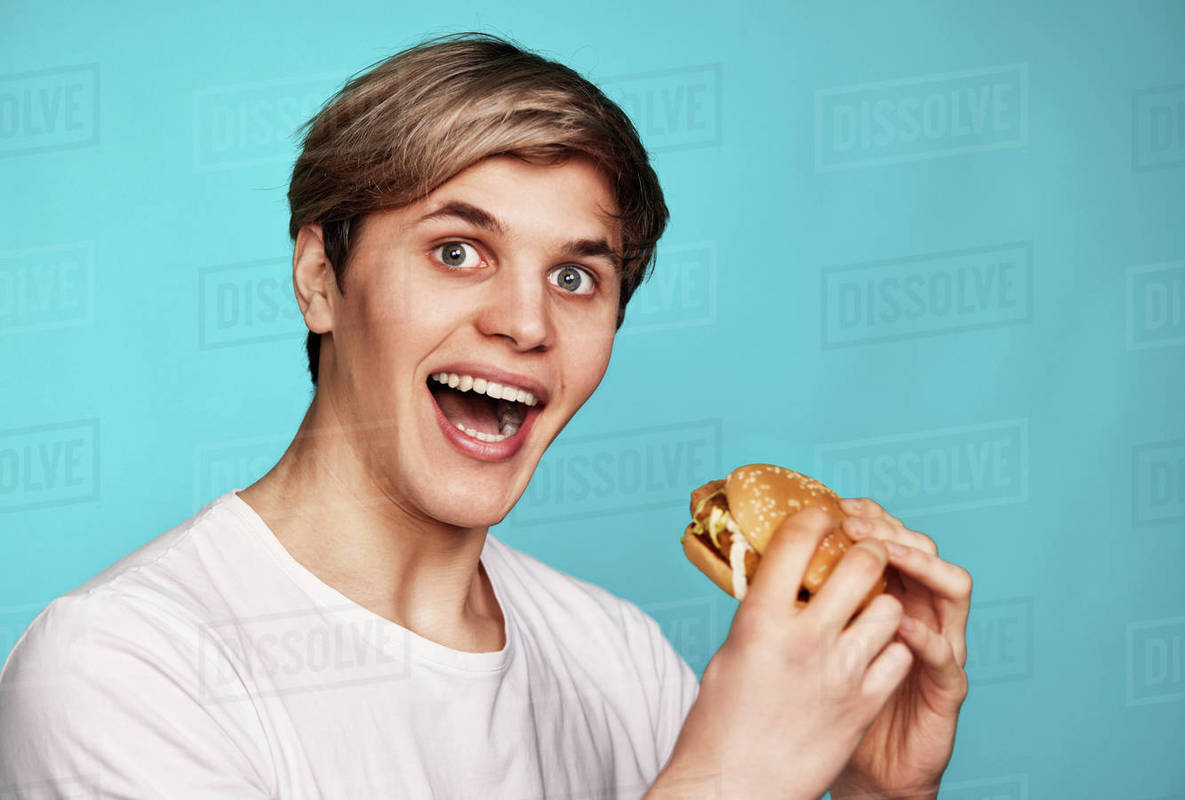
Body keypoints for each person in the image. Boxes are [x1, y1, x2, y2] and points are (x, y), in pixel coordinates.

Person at [0, 32, 972, 799]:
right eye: (457, 250)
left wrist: (882, 793)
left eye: (575, 275)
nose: (523, 321)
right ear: (319, 278)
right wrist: (725, 783)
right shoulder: (120, 669)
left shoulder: (620, 657)